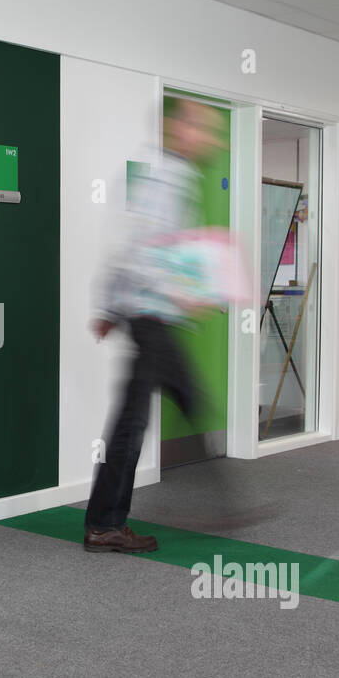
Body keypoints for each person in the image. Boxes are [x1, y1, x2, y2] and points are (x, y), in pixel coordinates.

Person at [83, 99, 236, 554]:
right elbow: (143, 245)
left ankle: (107, 522)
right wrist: (183, 292)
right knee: (160, 411)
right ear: (178, 128)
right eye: (205, 130)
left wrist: (110, 305)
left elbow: (133, 242)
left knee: (143, 415)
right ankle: (217, 505)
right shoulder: (163, 174)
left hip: (146, 312)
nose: (212, 140)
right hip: (151, 314)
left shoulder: (168, 172)